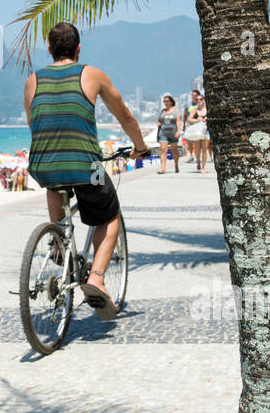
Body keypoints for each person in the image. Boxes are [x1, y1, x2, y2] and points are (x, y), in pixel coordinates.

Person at [24, 21, 148, 319]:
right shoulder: (91, 74)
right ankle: (96, 278)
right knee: (109, 215)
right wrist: (140, 146)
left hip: (43, 164)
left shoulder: (33, 80)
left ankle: (57, 240)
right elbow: (125, 115)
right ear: (78, 49)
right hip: (86, 166)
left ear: (50, 50)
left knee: (54, 184)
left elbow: (35, 123)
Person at [183, 89, 207, 173]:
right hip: (197, 131)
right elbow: (189, 119)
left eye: (200, 99)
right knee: (197, 150)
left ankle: (203, 167)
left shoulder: (207, 110)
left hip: (205, 131)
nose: (199, 101)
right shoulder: (194, 110)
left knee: (204, 149)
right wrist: (198, 120)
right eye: (197, 99)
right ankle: (198, 161)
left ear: (204, 100)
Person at [156, 95, 181, 173]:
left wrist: (178, 131)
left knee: (174, 150)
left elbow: (178, 121)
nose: (165, 103)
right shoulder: (162, 111)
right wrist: (158, 123)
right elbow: (159, 120)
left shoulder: (176, 111)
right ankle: (163, 168)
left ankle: (176, 165)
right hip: (163, 133)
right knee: (163, 150)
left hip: (173, 133)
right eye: (164, 101)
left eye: (167, 101)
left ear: (171, 102)